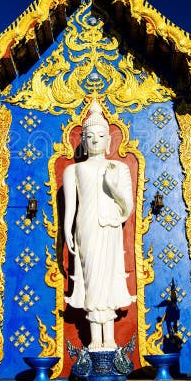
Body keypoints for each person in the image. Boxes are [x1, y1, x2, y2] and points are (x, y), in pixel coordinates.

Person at [64, 100, 136, 351]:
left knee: (109, 278)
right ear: (82, 140)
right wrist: (66, 230)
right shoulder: (74, 170)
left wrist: (114, 187)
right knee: (92, 279)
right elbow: (71, 208)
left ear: (109, 140)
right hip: (86, 227)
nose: (95, 140)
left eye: (101, 136)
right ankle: (96, 340)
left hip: (110, 226)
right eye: (89, 136)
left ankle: (110, 340)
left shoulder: (119, 168)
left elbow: (128, 207)